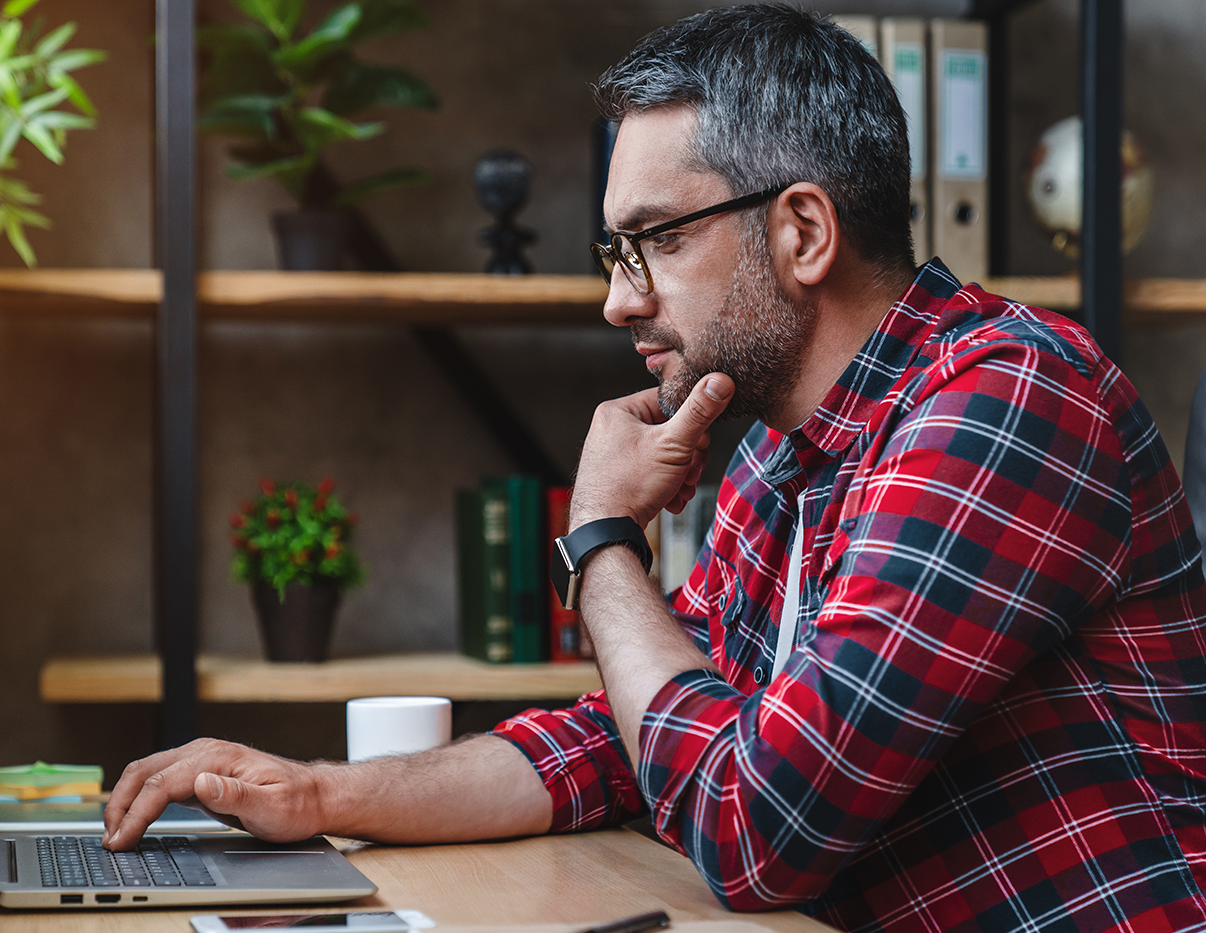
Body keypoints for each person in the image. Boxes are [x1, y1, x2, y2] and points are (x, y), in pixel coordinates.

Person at [103, 6, 1206, 931]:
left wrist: (600, 544)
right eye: (612, 252)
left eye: (654, 241)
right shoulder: (779, 448)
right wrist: (319, 793)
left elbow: (756, 830)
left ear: (803, 232)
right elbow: (632, 744)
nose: (617, 299)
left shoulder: (1005, 401)